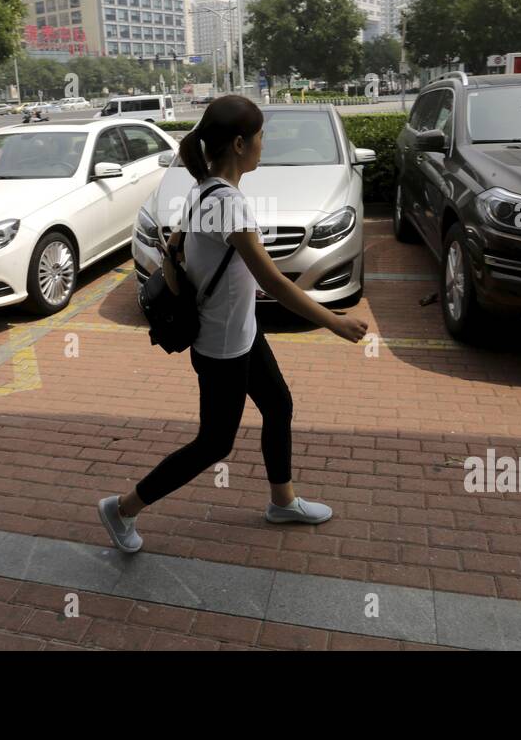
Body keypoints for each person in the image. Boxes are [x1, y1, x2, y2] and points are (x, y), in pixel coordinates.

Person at [98, 95, 368, 553]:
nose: (266, 144)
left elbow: (184, 253)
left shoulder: (204, 189)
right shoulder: (227, 202)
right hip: (222, 343)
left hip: (239, 331)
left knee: (278, 405)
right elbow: (274, 283)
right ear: (240, 143)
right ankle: (122, 508)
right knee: (213, 444)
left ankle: (283, 501)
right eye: (262, 136)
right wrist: (333, 322)